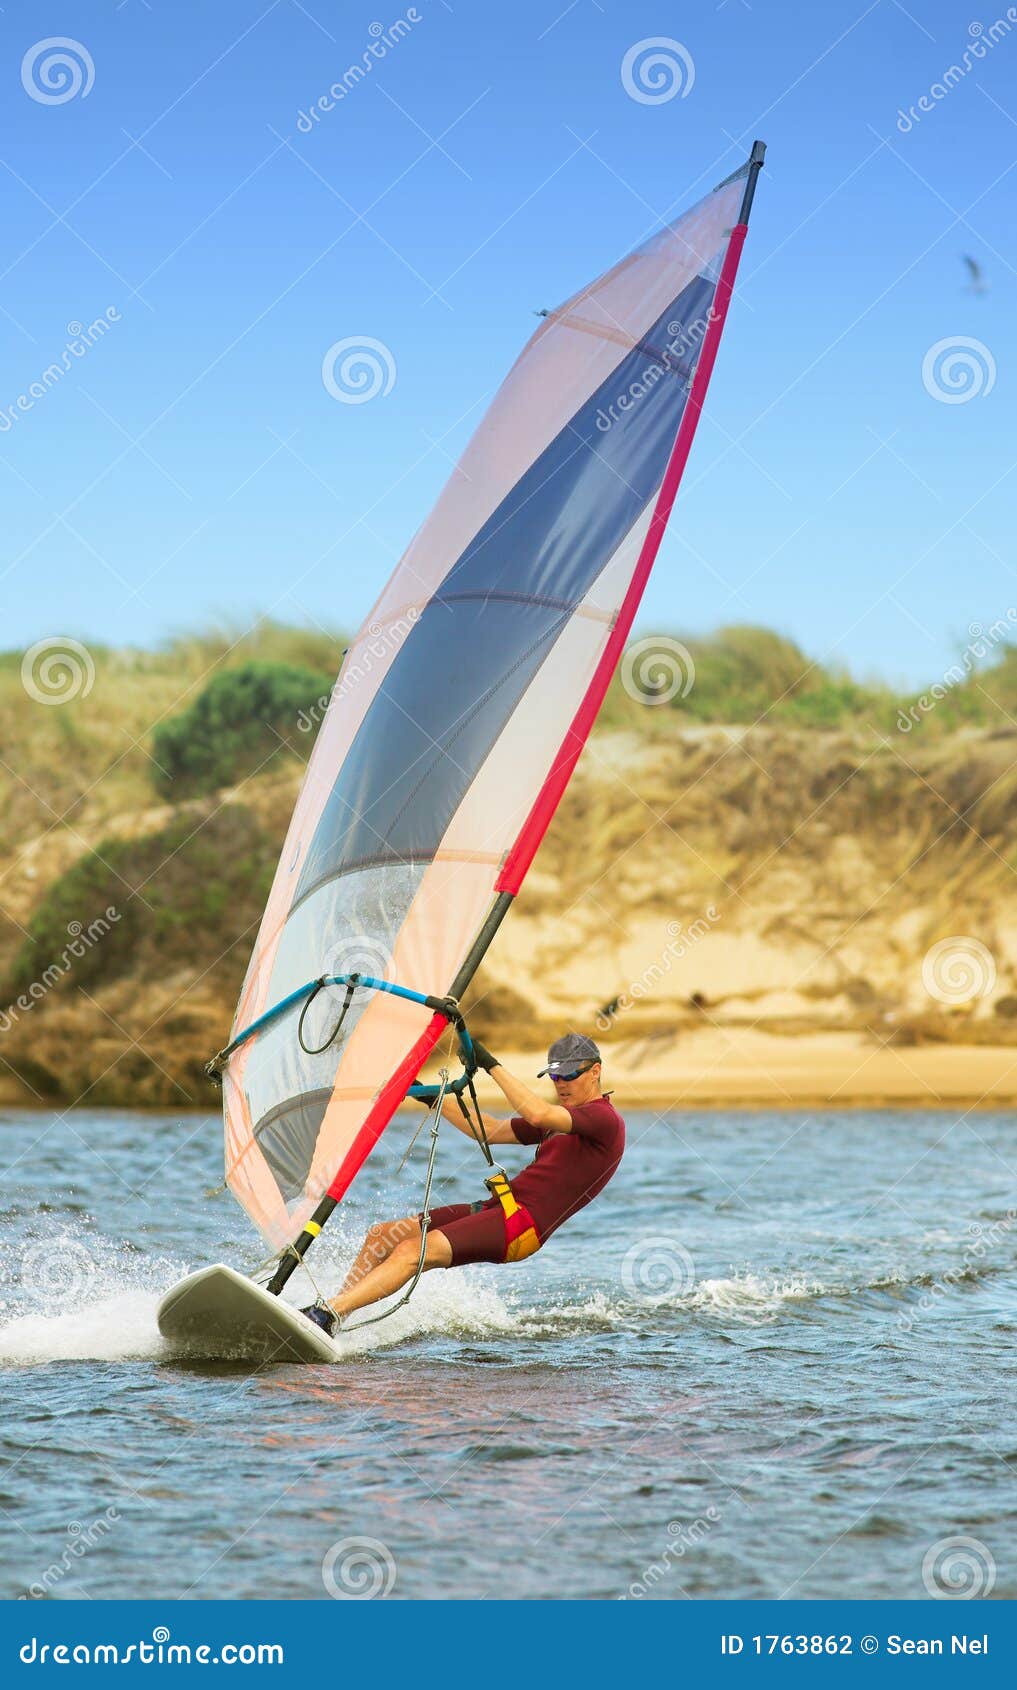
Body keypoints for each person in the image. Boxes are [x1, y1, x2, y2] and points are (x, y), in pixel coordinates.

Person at [301, 1032, 625, 1335]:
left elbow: (538, 1114)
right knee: (381, 1236)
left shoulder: (603, 1120)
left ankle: (325, 1315)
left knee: (412, 1250)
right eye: (555, 1077)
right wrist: (429, 1095)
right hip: (497, 1208)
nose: (561, 1084)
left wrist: (491, 1065)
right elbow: (489, 1130)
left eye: (570, 1076)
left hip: (520, 1227)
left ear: (595, 1071)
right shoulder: (565, 1118)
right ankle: (333, 1317)